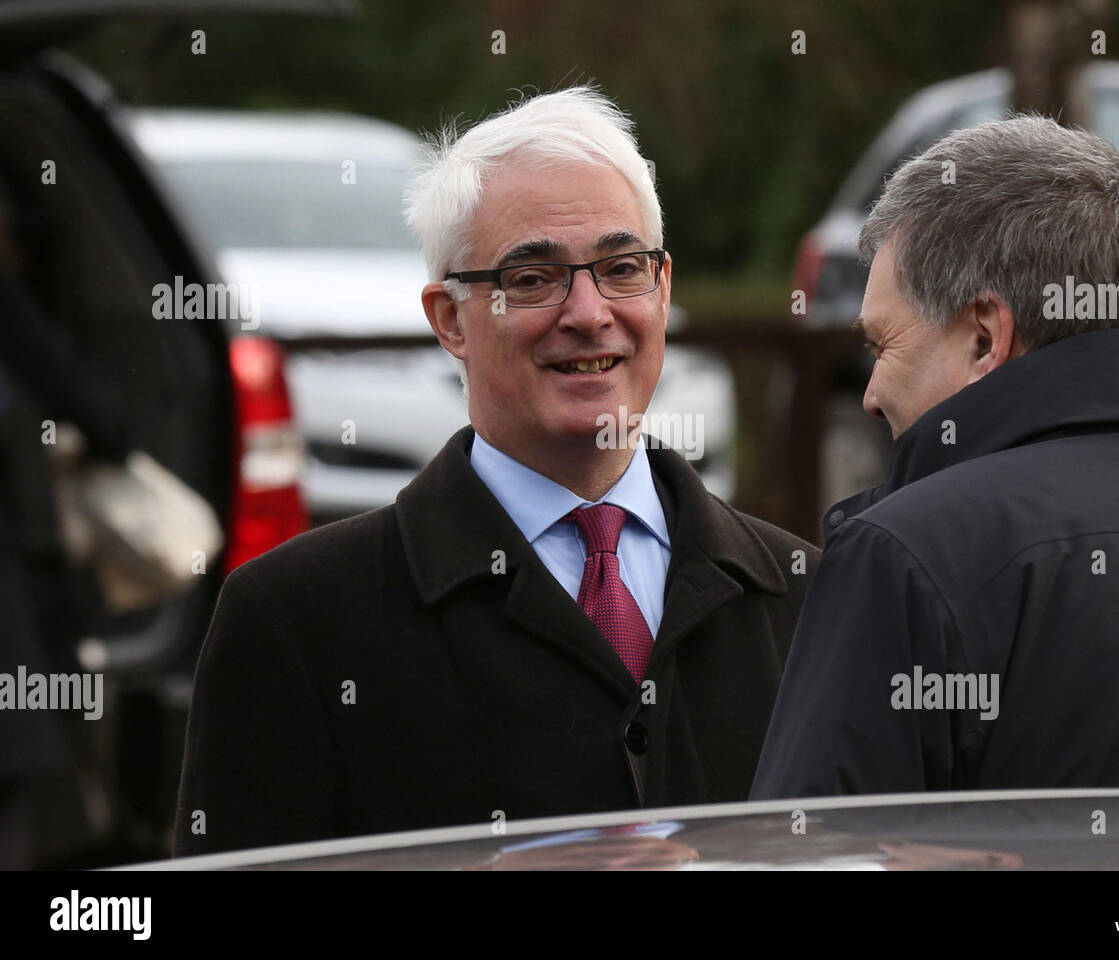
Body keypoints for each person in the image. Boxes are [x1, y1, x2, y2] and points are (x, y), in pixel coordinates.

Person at [174, 86, 818, 856]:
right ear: (449, 319)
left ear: (664, 286)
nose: (587, 311)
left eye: (620, 267)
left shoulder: (812, 597)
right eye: (533, 278)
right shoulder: (293, 621)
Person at [751, 115, 1119, 801]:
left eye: (881, 346)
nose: (869, 394)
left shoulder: (907, 556)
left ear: (984, 338)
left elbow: (814, 849)